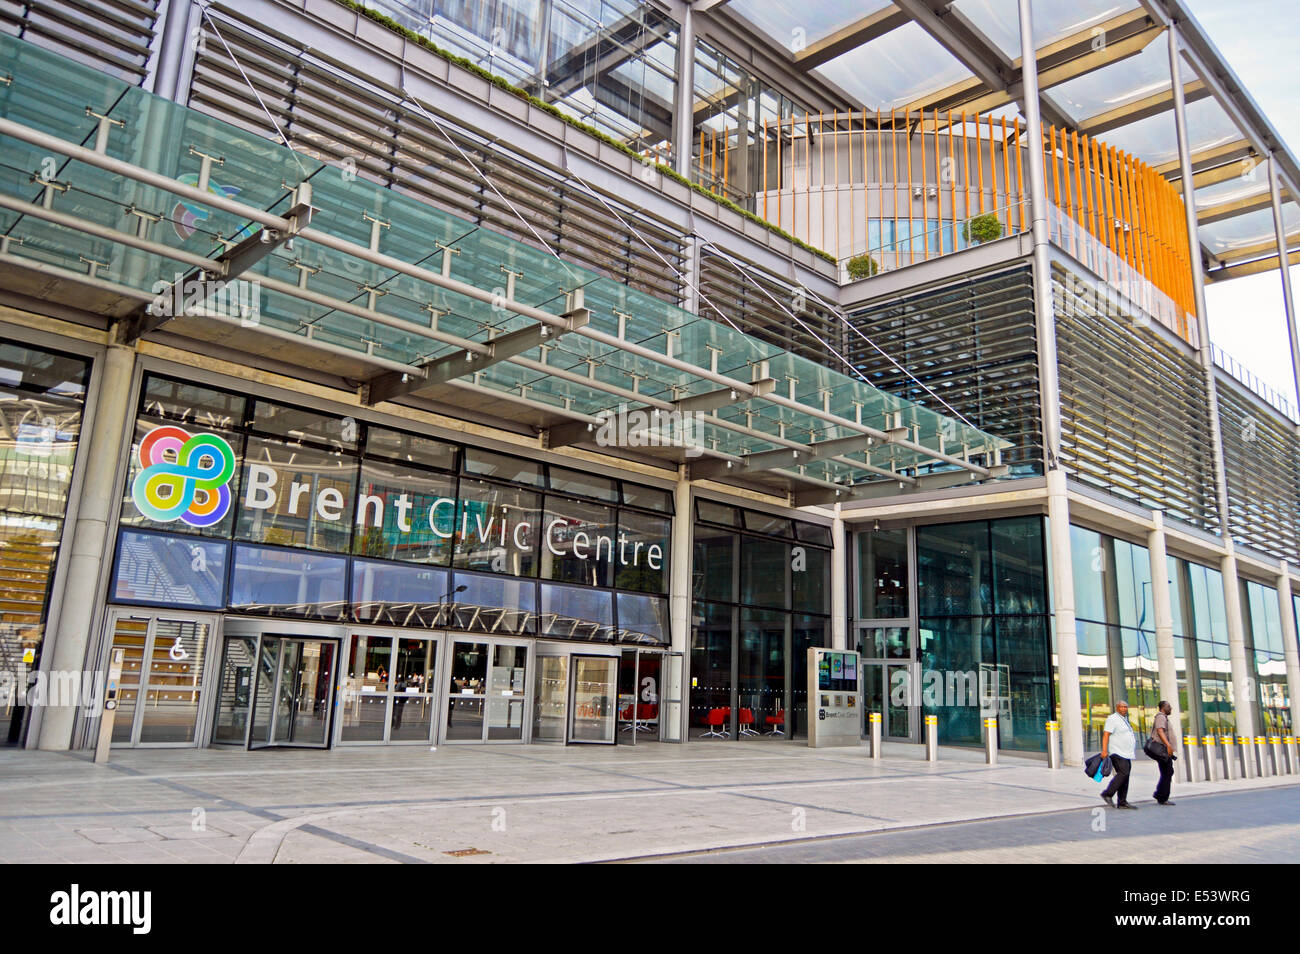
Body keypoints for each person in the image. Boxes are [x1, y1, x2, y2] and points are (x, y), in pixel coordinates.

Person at [1100, 700, 1138, 809]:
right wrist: (1104, 750)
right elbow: (1106, 735)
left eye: (1126, 707)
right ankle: (1107, 793)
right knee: (1123, 773)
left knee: (1125, 776)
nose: (1124, 709)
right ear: (1117, 707)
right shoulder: (1112, 719)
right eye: (1122, 707)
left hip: (1126, 753)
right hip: (1117, 752)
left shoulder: (1124, 719)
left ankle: (1122, 801)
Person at [1151, 700, 1176, 806]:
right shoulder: (1161, 717)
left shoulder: (1163, 717)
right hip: (1163, 750)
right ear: (1162, 708)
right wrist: (1168, 745)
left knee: (1167, 772)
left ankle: (1159, 794)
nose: (1170, 708)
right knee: (1167, 772)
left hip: (1165, 750)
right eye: (1168, 706)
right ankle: (1162, 797)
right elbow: (1160, 730)